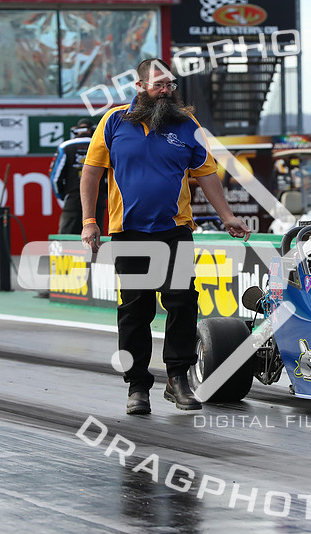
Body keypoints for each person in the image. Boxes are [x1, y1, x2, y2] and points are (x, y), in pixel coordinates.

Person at [81, 58, 251, 415]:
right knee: (135, 309)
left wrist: (227, 216)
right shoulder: (113, 122)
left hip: (174, 230)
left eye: (170, 85)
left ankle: (177, 379)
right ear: (140, 87)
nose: (166, 91)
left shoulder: (187, 125)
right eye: (158, 84)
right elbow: (92, 173)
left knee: (182, 302)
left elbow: (207, 174)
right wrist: (89, 221)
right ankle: (137, 386)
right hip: (128, 232)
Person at [50, 118, 107, 235]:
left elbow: (55, 177)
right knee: (94, 238)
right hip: (97, 199)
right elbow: (111, 175)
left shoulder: (65, 147)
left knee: (67, 239)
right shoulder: (102, 145)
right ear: (92, 130)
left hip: (73, 199)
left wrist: (63, 196)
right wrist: (104, 194)